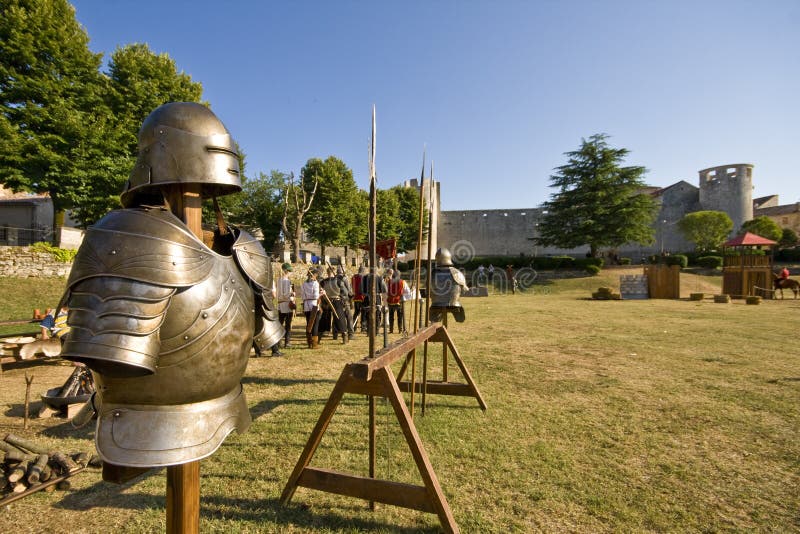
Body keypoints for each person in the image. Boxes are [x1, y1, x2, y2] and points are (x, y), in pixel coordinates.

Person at [321, 266, 349, 344]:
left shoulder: (323, 282)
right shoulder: (338, 281)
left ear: (327, 272)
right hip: (336, 301)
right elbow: (345, 293)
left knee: (326, 319)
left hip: (327, 301)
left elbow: (321, 292)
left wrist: (324, 301)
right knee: (340, 319)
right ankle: (344, 337)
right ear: (334, 272)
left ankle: (319, 337)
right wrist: (343, 300)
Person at [301, 269, 323, 349]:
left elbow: (303, 296)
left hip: (307, 305)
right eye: (316, 275)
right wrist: (321, 294)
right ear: (314, 275)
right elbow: (316, 296)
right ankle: (314, 344)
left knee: (309, 324)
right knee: (315, 325)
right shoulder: (315, 283)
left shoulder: (304, 284)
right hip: (314, 305)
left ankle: (309, 343)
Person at [276, 262, 295, 348]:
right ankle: (287, 342)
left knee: (280, 324)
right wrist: (292, 294)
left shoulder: (278, 280)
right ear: (287, 271)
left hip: (280, 305)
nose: (291, 273)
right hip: (286, 305)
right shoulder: (286, 281)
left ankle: (278, 342)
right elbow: (285, 294)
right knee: (287, 325)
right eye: (290, 271)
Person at [352, 266, 367, 333]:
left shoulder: (353, 277)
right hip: (362, 297)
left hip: (355, 297)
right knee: (363, 313)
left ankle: (353, 327)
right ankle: (363, 327)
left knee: (356, 312)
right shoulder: (364, 277)